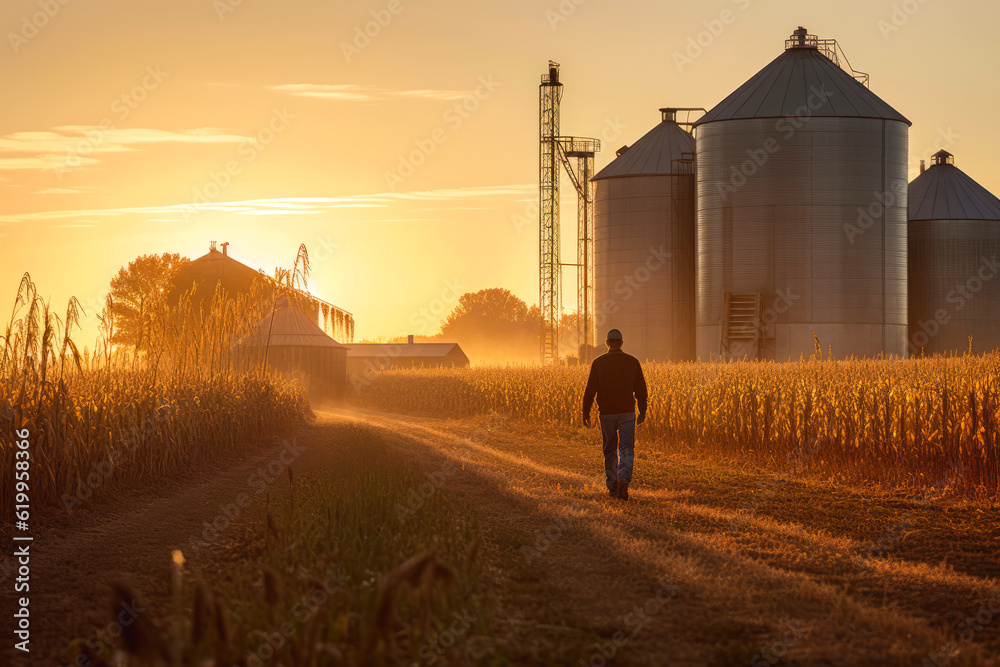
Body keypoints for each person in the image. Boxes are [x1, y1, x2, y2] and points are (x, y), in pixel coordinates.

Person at [582, 329, 648, 501]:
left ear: (607, 343)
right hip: (627, 412)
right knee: (626, 447)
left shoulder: (598, 363)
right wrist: (643, 411)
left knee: (610, 449)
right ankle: (624, 476)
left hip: (607, 413)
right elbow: (641, 390)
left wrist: (585, 413)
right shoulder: (632, 362)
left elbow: (590, 391)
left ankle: (612, 485)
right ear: (621, 343)